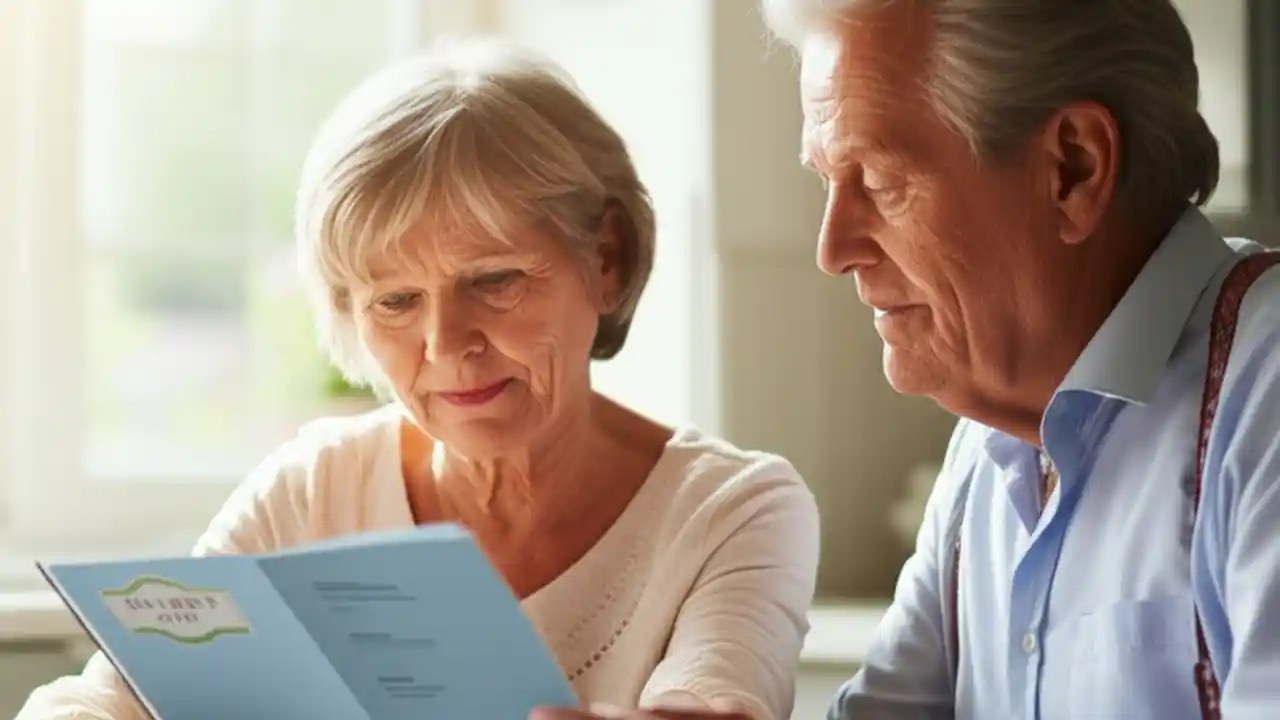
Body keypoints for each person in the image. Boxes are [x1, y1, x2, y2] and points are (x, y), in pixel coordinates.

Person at [18, 41, 820, 720]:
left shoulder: (733, 512)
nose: (446, 345)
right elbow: (105, 699)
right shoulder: (314, 489)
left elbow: (716, 704)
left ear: (605, 260)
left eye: (496, 279)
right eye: (396, 301)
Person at [533, 0, 1280, 718]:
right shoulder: (987, 459)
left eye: (881, 182)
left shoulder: (1263, 391)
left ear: (1074, 168)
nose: (833, 250)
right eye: (828, 182)